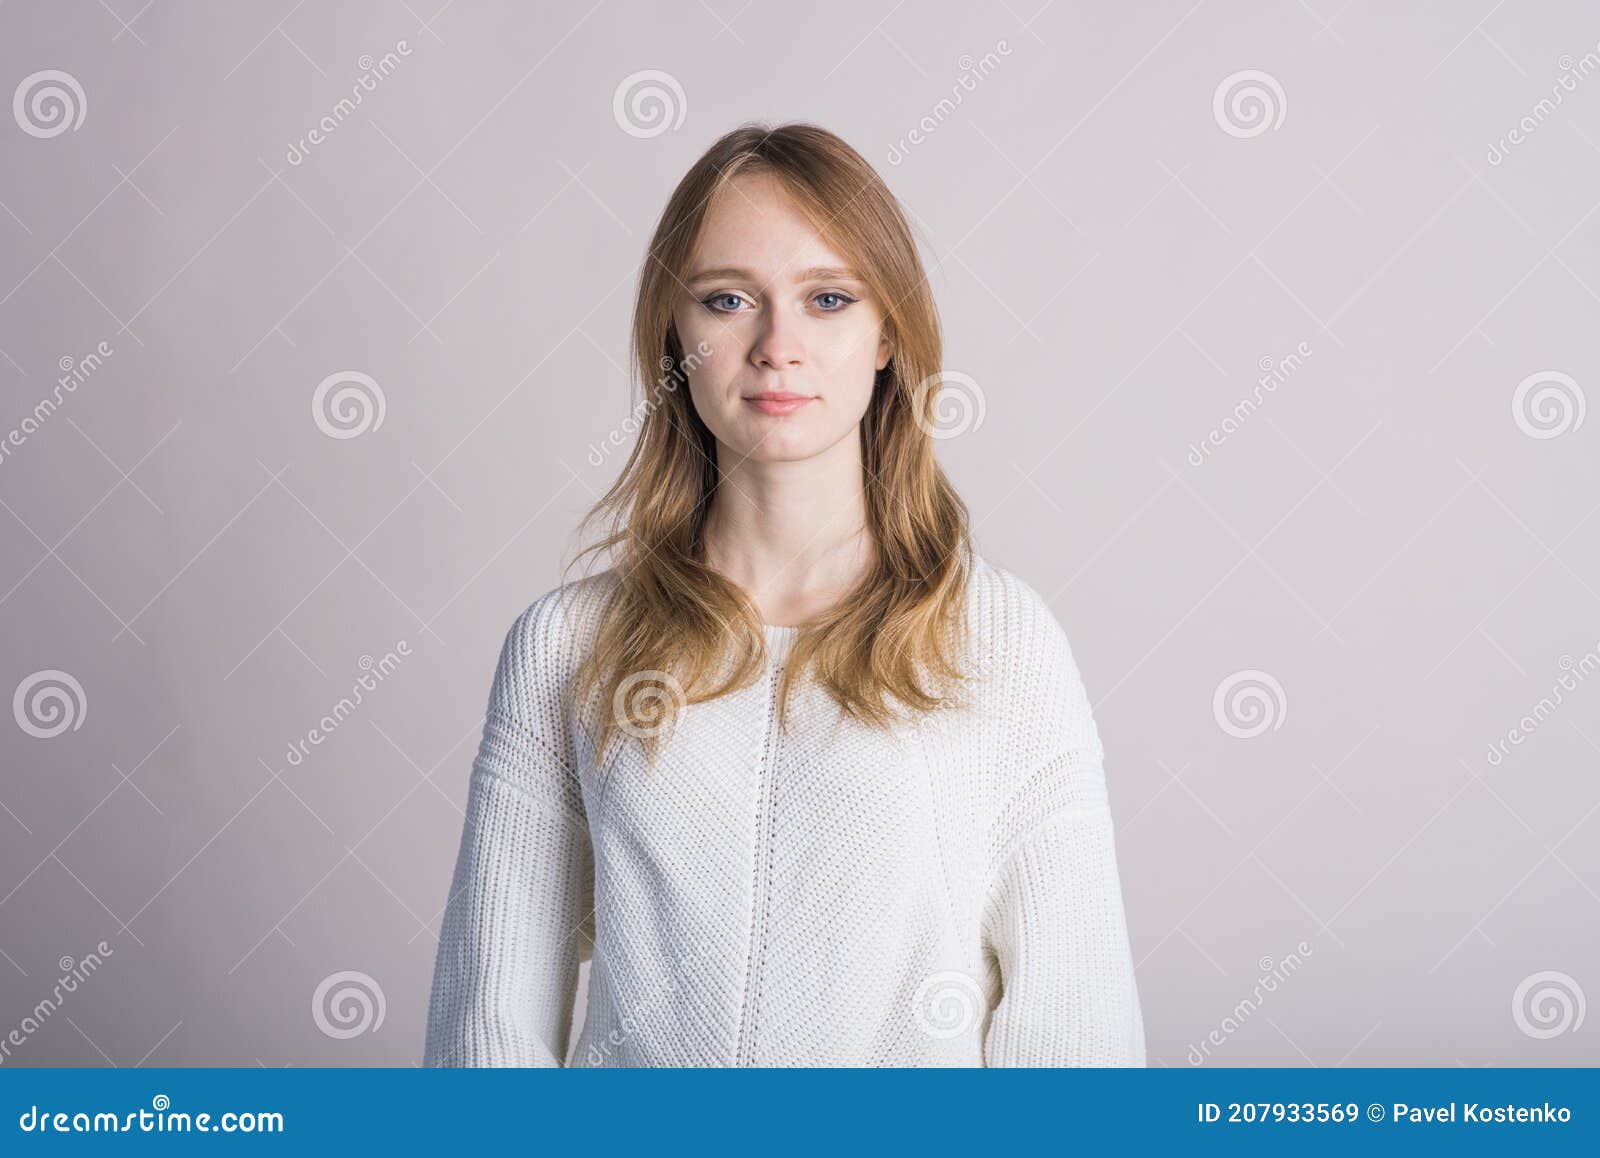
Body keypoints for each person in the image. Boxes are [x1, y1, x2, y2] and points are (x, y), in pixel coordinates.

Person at [422, 121, 1145, 1067]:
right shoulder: (567, 644)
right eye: (728, 299)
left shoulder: (1000, 640)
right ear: (674, 334)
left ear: (888, 335)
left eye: (828, 299)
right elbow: (489, 1030)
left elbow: (1077, 1030)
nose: (777, 346)